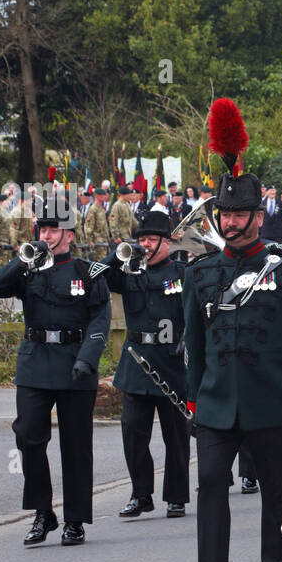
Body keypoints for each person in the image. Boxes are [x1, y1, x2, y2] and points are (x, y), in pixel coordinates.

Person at [177, 99, 282, 562]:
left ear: (259, 217)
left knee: (275, 489)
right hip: (218, 402)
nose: (233, 222)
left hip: (272, 401)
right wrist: (195, 400)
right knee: (211, 485)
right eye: (226, 214)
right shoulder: (199, 274)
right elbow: (193, 347)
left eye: (241, 213)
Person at [0, 193, 111, 547]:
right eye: (43, 228)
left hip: (74, 362)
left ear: (70, 235)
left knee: (76, 446)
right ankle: (43, 513)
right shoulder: (28, 270)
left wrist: (87, 358)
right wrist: (22, 260)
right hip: (35, 362)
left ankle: (75, 519)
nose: (48, 235)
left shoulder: (88, 271)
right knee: (28, 437)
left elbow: (100, 320)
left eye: (54, 229)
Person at [103, 205, 190, 519]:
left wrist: (187, 340)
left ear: (168, 242)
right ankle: (141, 494)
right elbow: (97, 275)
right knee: (133, 432)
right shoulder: (129, 272)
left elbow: (194, 313)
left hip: (171, 362)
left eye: (154, 238)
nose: (148, 244)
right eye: (143, 238)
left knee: (176, 435)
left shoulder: (181, 273)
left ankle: (177, 496)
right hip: (137, 363)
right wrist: (121, 254)